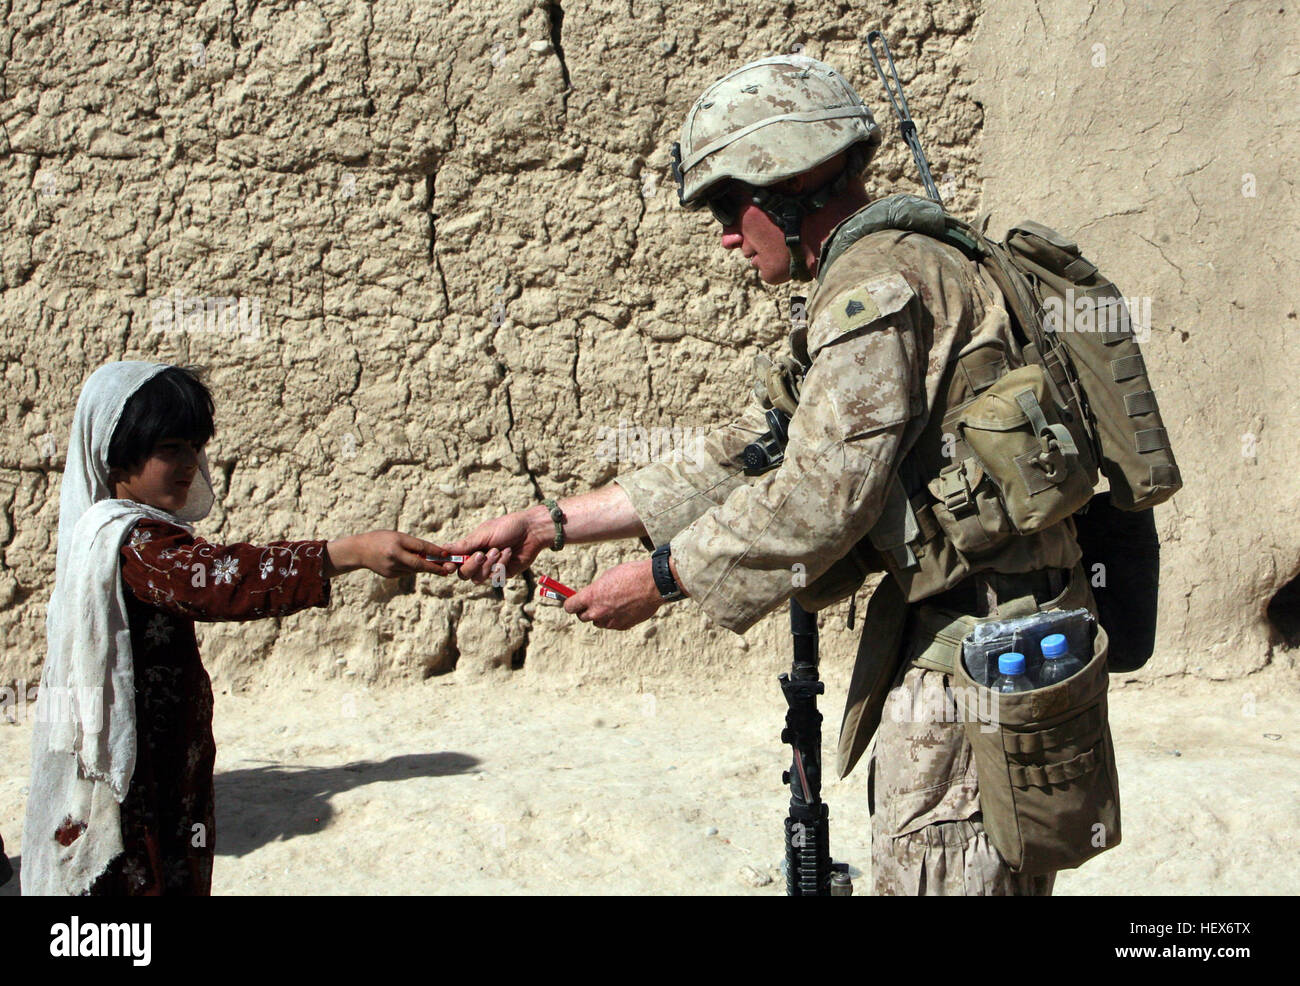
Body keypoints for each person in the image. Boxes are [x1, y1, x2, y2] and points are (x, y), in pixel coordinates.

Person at [446, 54, 1113, 896]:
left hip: (978, 663)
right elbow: (755, 450)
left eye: (732, 204)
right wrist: (553, 524)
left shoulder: (877, 287)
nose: (727, 234)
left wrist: (660, 579)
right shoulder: (894, 267)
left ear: (791, 186)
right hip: (978, 643)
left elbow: (821, 497)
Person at [23, 361, 454, 895]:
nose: (189, 465)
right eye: (170, 449)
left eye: (194, 448)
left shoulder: (119, 536)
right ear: (116, 453)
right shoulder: (132, 544)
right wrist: (346, 553)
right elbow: (220, 580)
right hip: (143, 777)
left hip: (168, 762)